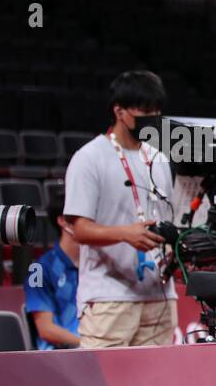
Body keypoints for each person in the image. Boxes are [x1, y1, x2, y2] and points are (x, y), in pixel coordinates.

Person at [62, 71, 177, 348]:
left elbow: (168, 219)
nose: (152, 119)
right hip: (109, 299)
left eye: (157, 112)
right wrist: (125, 234)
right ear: (120, 111)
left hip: (158, 297)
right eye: (145, 112)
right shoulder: (88, 158)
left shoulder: (159, 159)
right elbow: (79, 229)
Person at [24, 212, 81, 349]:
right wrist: (87, 345)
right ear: (63, 221)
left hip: (93, 351)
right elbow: (46, 330)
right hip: (57, 358)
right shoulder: (38, 270)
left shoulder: (93, 266)